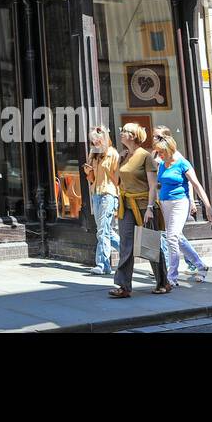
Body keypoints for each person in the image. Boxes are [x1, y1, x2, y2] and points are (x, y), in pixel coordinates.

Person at [109, 121, 170, 297]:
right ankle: (123, 286)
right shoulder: (124, 156)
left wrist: (151, 208)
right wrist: (118, 161)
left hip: (144, 205)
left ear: (133, 136)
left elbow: (152, 186)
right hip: (126, 205)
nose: (121, 133)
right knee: (126, 245)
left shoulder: (145, 156)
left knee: (149, 245)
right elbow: (116, 182)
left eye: (124, 131)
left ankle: (163, 282)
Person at [152, 134, 212, 286]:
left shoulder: (182, 163)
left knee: (172, 237)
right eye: (158, 152)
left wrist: (208, 207)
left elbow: (197, 185)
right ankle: (201, 266)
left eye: (161, 152)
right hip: (165, 203)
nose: (159, 155)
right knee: (178, 238)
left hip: (180, 202)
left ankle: (172, 276)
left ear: (170, 150)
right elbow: (158, 184)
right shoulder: (162, 164)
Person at [83, 125, 120, 276]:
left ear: (104, 139)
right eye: (93, 141)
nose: (95, 144)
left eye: (97, 141)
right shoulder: (92, 154)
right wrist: (88, 173)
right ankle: (128, 250)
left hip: (108, 194)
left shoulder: (112, 154)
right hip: (96, 194)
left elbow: (117, 179)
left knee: (102, 230)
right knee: (105, 230)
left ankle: (103, 264)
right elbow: (91, 180)